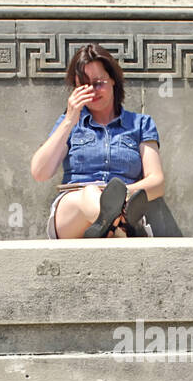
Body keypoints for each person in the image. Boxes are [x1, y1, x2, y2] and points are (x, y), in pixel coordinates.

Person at [30, 43, 165, 239]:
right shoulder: (70, 122)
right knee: (89, 193)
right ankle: (120, 228)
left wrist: (119, 194)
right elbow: (40, 172)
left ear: (113, 81)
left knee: (104, 199)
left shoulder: (141, 124)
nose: (92, 91)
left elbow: (157, 183)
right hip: (72, 211)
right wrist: (69, 119)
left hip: (125, 202)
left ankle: (111, 225)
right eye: (83, 86)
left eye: (98, 83)